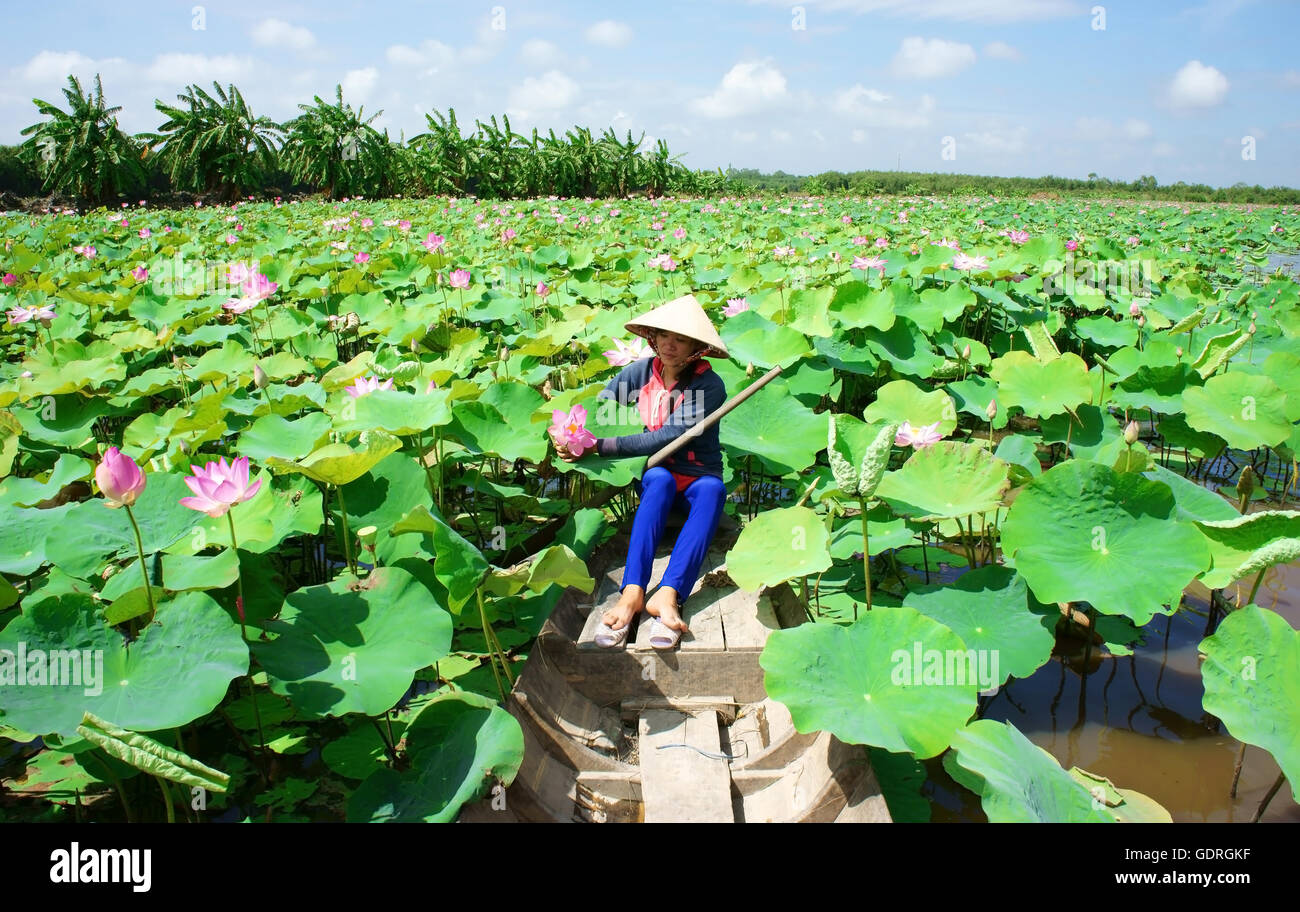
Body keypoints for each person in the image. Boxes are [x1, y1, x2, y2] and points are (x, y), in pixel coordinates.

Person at [551, 293, 729, 649]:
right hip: (656, 476)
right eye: (663, 335)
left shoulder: (709, 386)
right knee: (659, 479)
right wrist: (571, 437)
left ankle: (669, 592)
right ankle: (632, 591)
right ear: (653, 337)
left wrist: (600, 446)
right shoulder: (640, 372)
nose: (669, 344)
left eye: (679, 339)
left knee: (713, 491)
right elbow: (599, 412)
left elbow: (666, 437)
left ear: (696, 347)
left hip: (696, 477)